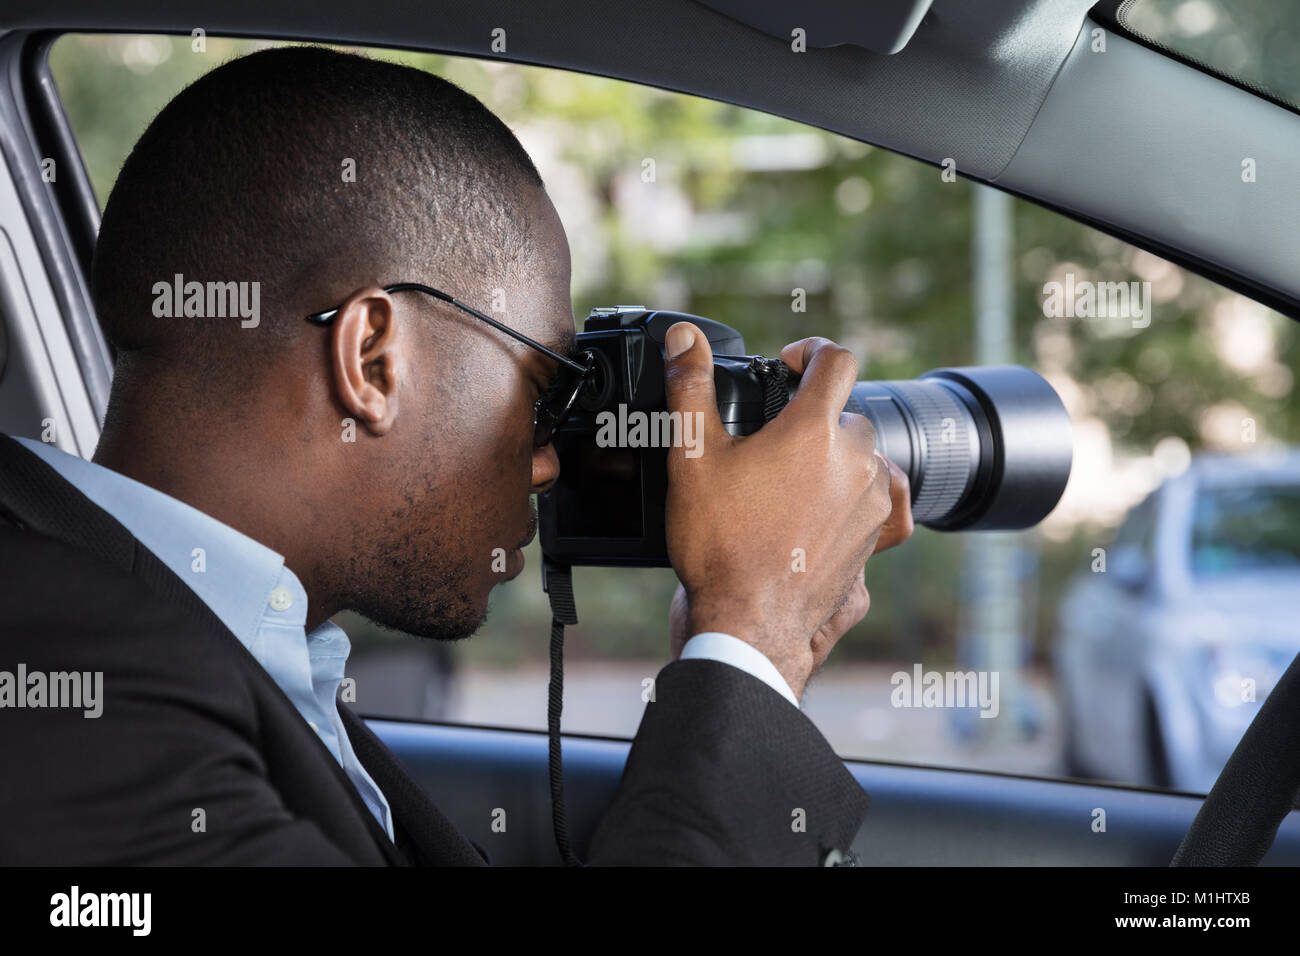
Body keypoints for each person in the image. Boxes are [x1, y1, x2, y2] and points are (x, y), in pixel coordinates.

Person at [0, 46, 911, 865]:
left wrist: (746, 646)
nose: (551, 459)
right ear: (372, 361)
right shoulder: (68, 688)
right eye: (546, 385)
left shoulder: (233, 645)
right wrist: (754, 635)